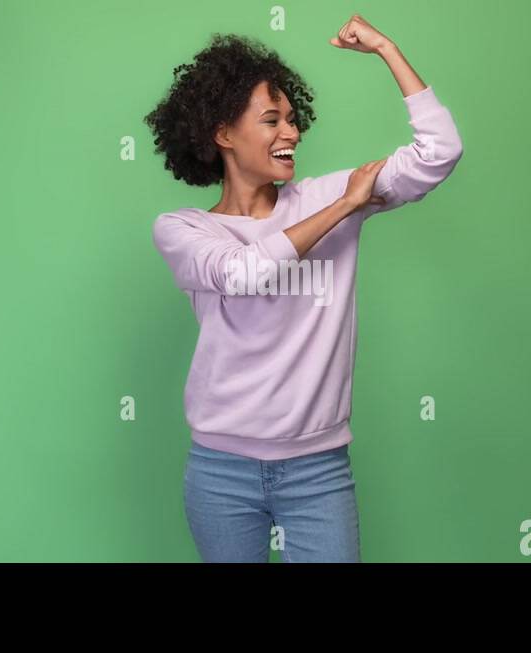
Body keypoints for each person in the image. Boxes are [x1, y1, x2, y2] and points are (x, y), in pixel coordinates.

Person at [144, 15, 463, 562]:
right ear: (223, 134)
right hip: (221, 472)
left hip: (319, 470)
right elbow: (243, 273)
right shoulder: (184, 230)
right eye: (271, 120)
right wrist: (345, 207)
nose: (291, 133)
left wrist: (387, 49)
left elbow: (440, 152)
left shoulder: (325, 194)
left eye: (292, 120)